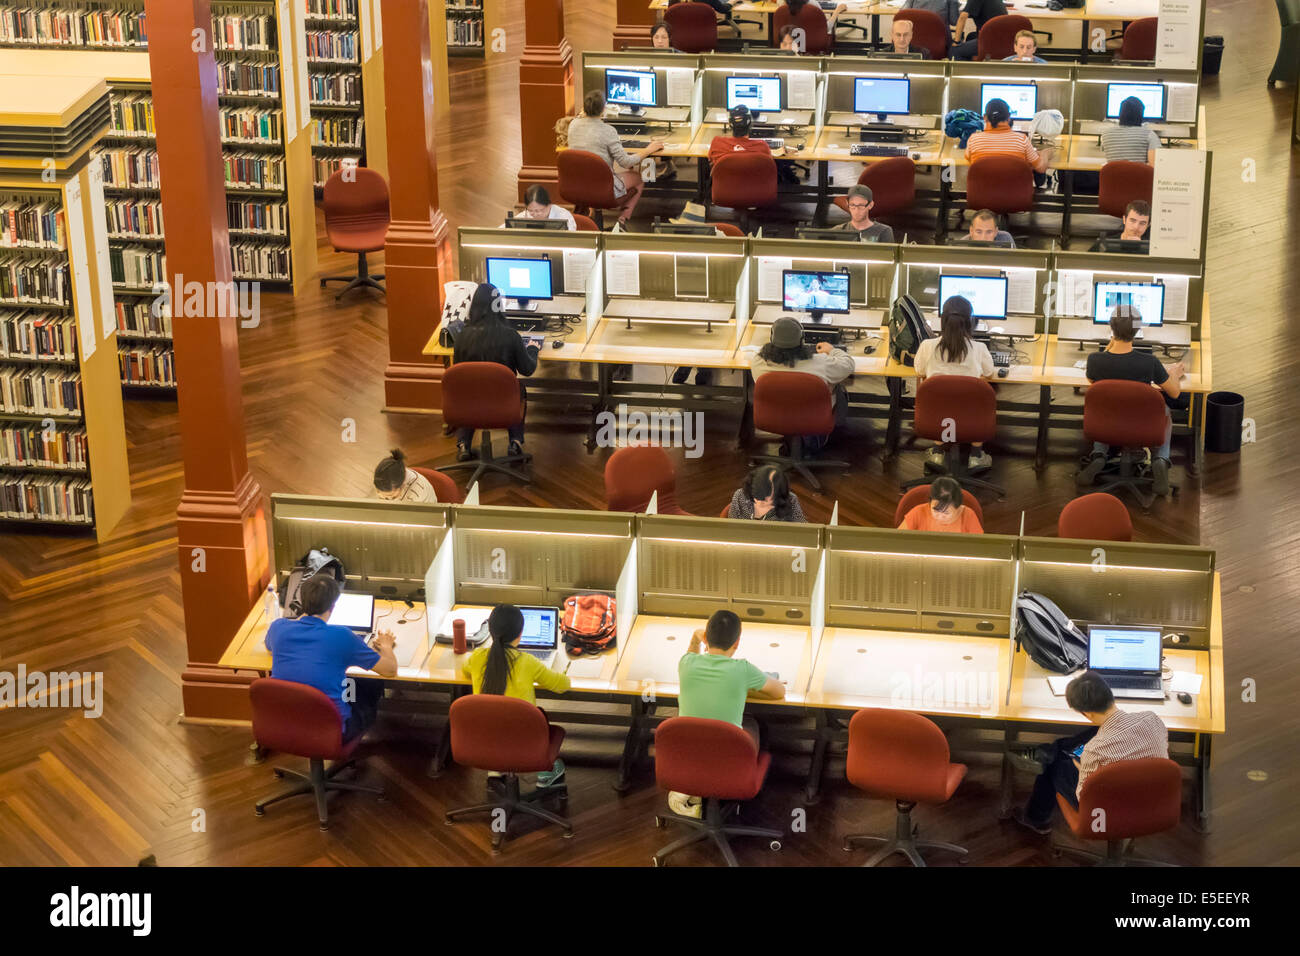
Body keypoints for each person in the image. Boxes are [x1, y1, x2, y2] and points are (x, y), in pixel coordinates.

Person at [1011, 670, 1168, 835]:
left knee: (1052, 767)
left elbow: (1084, 798)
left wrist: (1080, 767)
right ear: (1110, 694)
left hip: (1106, 813)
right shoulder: (1152, 719)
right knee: (1090, 734)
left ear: (1086, 713)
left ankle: (1036, 820)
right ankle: (1051, 752)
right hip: (1153, 801)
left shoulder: (1095, 750)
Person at [670, 609, 786, 816]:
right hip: (730, 759)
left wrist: (696, 639)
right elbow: (779, 693)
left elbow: (690, 653)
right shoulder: (742, 670)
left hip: (687, 756)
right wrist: (747, 687)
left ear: (706, 637)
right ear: (737, 643)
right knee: (755, 723)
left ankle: (696, 786)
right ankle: (741, 785)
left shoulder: (686, 663)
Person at [266, 574, 398, 742]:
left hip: (287, 722)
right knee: (370, 683)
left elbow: (270, 648)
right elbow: (390, 670)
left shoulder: (278, 628)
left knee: (348, 682)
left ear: (301, 600)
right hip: (334, 730)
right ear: (333, 606)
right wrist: (386, 646)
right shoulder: (342, 636)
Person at [460, 604, 572, 789]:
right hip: (526, 743)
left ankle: (497, 767)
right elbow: (561, 685)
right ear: (521, 633)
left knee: (497, 720)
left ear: (490, 631)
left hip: (485, 741)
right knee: (539, 718)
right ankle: (548, 776)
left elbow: (465, 669)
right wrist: (565, 674)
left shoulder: (478, 656)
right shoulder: (526, 662)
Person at [1077, 304, 1183, 496]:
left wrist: (1111, 343)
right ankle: (1160, 459)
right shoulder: (1149, 363)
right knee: (1165, 408)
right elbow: (1175, 393)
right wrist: (1174, 373)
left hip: (1107, 424)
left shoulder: (1094, 360)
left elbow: (1096, 385)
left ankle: (1099, 455)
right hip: (1142, 424)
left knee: (1107, 405)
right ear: (1138, 329)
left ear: (1110, 327)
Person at [451, 282, 540, 462]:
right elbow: (528, 369)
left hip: (470, 404)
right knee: (519, 388)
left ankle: (464, 444)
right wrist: (532, 348)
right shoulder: (510, 336)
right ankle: (515, 442)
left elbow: (460, 373)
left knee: (469, 391)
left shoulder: (461, 337)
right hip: (504, 403)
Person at [749, 316, 856, 454]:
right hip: (814, 418)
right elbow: (848, 364)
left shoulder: (758, 362)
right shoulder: (821, 363)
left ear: (771, 339)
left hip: (775, 416)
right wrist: (832, 349)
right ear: (802, 341)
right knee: (837, 387)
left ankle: (795, 442)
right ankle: (812, 442)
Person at [914, 295, 996, 471]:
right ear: (970, 321)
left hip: (934, 417)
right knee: (975, 402)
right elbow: (989, 372)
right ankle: (976, 456)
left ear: (943, 320)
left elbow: (919, 371)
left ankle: (938, 453)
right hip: (972, 418)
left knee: (942, 402)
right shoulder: (979, 348)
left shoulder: (927, 346)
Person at [565, 89, 664, 227]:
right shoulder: (608, 131)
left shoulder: (573, 125)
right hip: (603, 187)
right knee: (640, 178)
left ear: (585, 108)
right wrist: (648, 150)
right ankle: (621, 221)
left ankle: (594, 210)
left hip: (578, 184)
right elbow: (625, 162)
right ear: (603, 109)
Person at [965, 97, 1052, 174]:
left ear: (984, 117)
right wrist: (1046, 153)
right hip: (1015, 192)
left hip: (982, 192)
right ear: (1009, 117)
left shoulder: (973, 140)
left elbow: (970, 159)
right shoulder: (1021, 140)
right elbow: (1041, 168)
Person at [898, 475, 984, 533]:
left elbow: (979, 546)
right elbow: (898, 539)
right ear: (930, 501)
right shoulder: (918, 512)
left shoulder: (968, 515)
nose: (939, 516)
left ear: (958, 507)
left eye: (946, 513)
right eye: (935, 510)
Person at [708, 104, 785, 164]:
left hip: (725, 184)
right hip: (753, 184)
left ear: (730, 124)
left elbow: (711, 161)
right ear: (750, 124)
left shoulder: (717, 143)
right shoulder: (762, 146)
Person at [726, 465, 808, 521]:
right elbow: (732, 527)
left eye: (765, 501)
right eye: (756, 498)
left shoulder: (791, 499)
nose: (760, 503)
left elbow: (803, 530)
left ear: (779, 495)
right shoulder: (740, 495)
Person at [1101, 95, 1162, 165]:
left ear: (1121, 113)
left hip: (1113, 175)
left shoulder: (1106, 134)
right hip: (1139, 175)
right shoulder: (1150, 135)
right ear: (1141, 115)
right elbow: (1154, 165)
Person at [373, 448, 438, 502]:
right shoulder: (382, 482)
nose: (388, 500)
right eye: (378, 491)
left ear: (403, 483)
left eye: (392, 497)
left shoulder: (419, 493)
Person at [784, 0, 849, 33]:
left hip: (793, 43)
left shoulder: (785, 5)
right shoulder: (812, 4)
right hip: (815, 43)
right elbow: (826, 28)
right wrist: (837, 10)